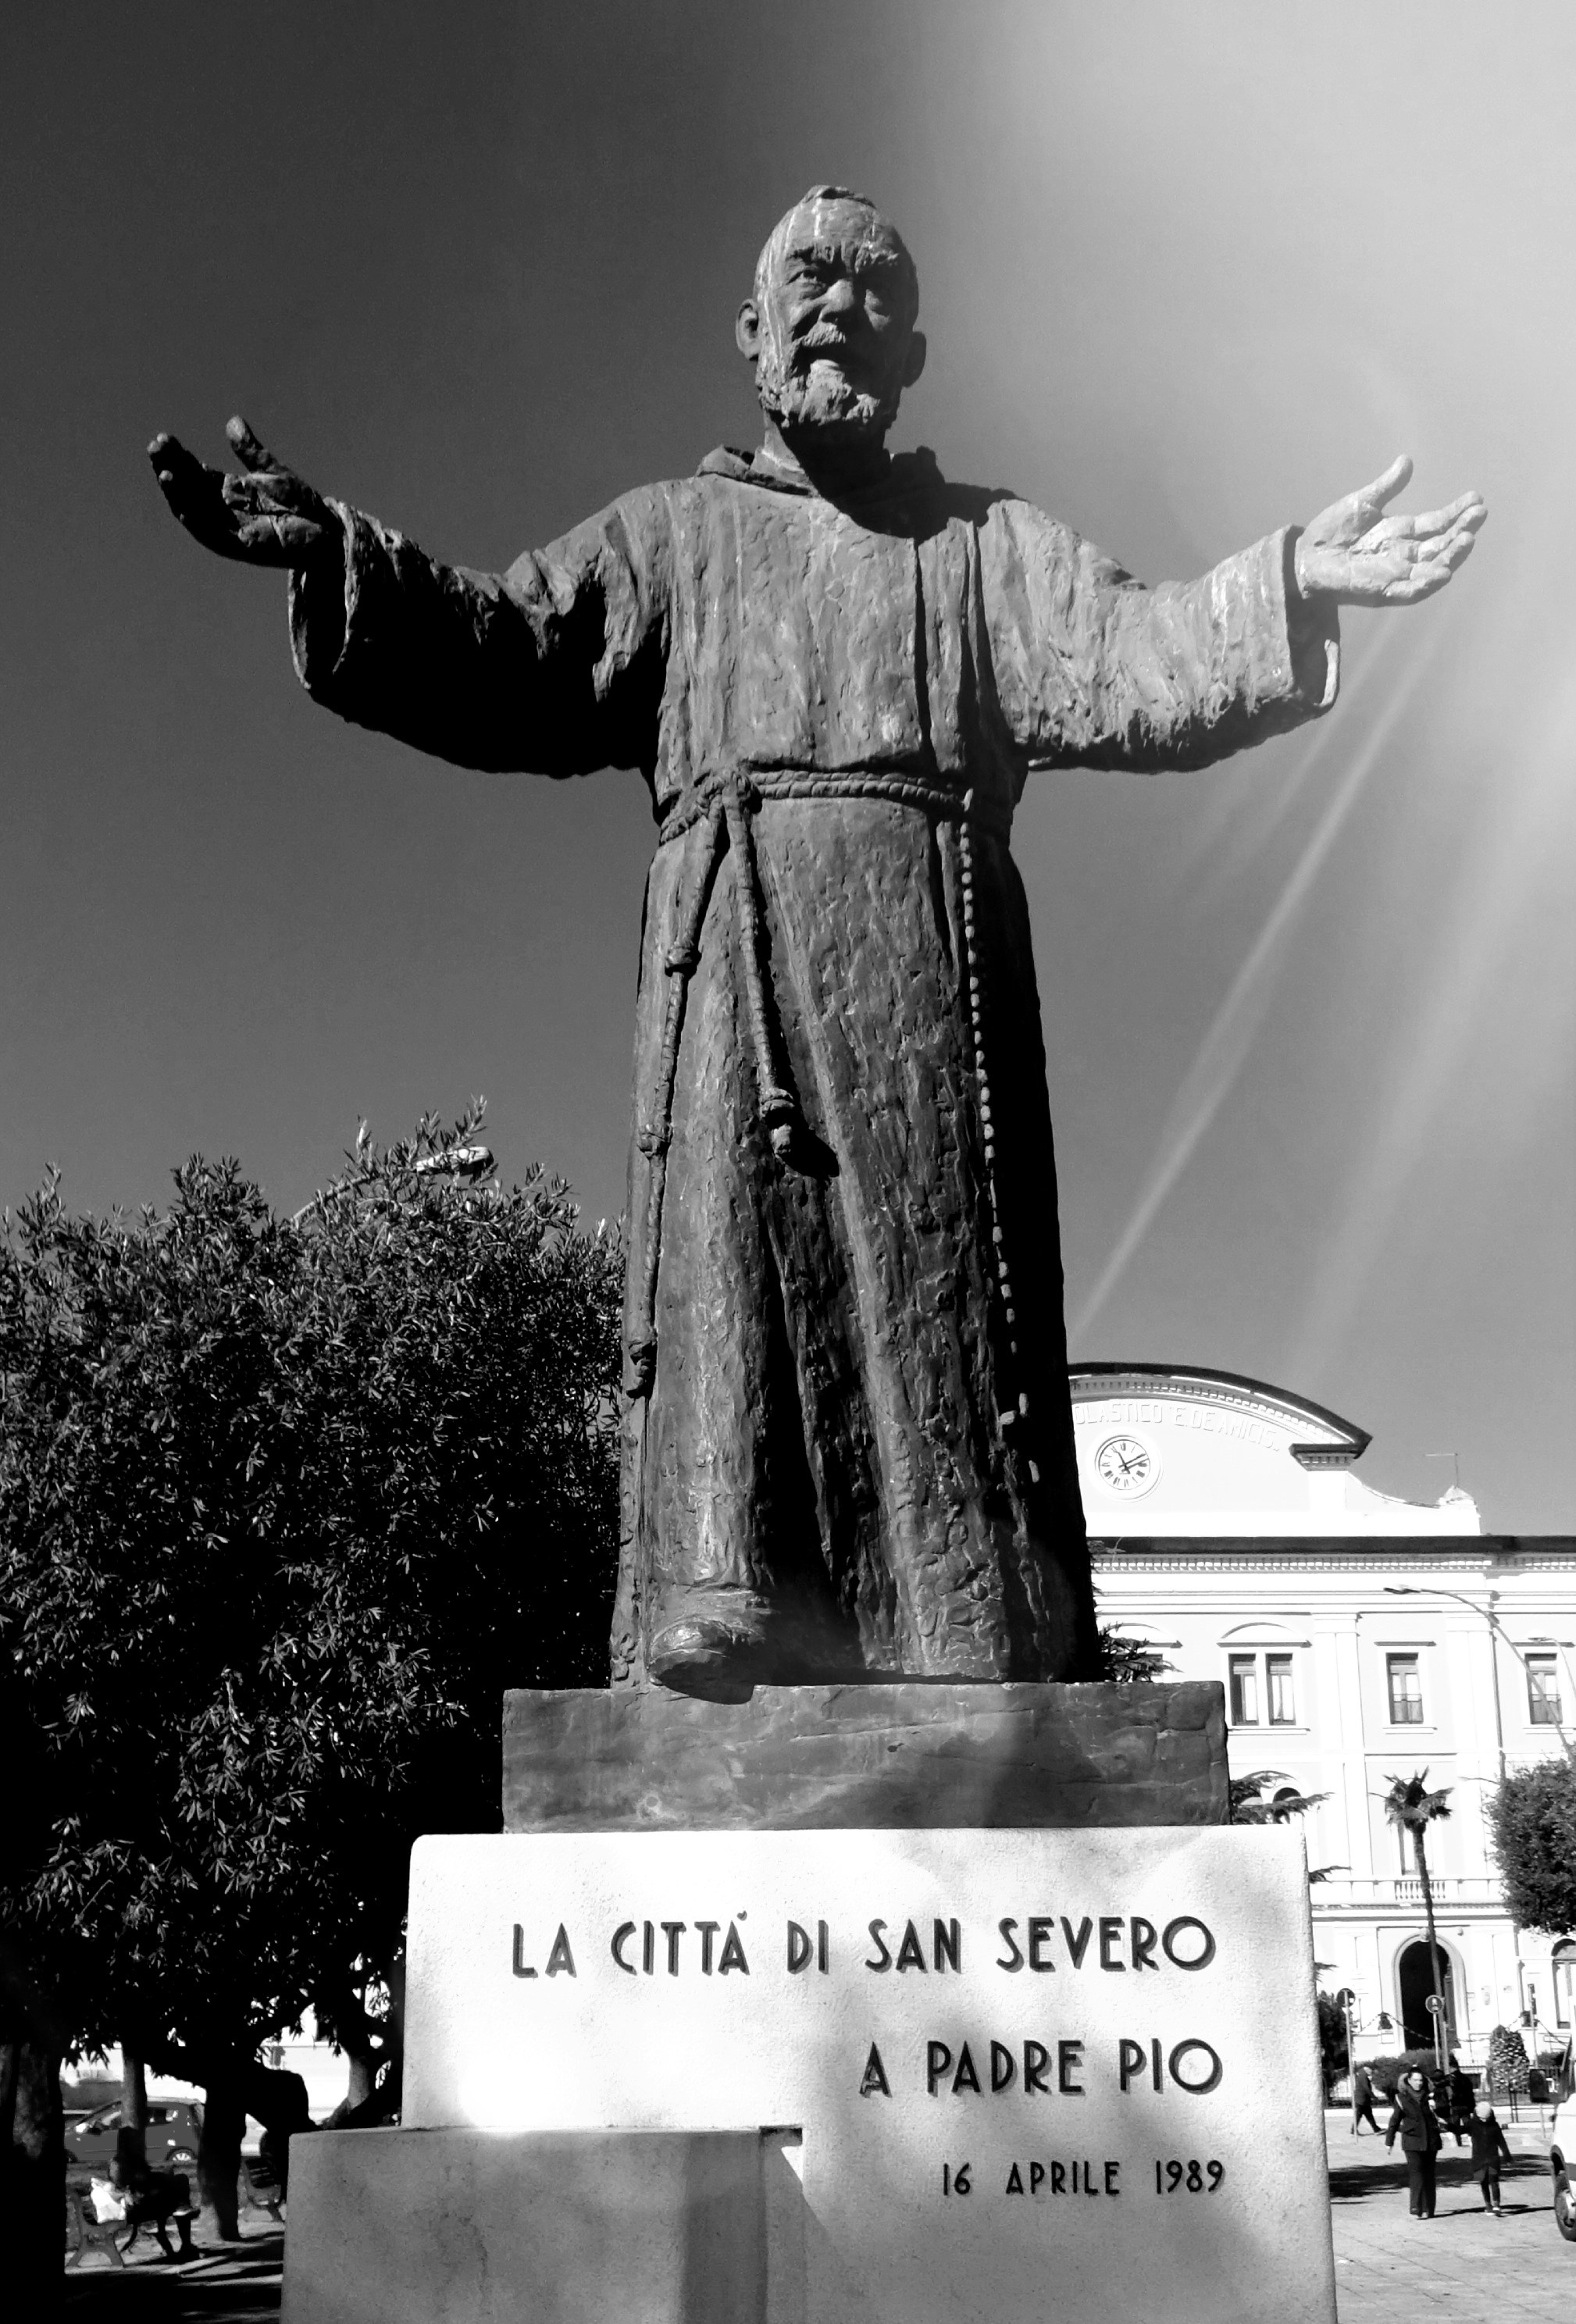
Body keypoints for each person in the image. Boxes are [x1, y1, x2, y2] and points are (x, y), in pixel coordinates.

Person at [149, 187, 1485, 1699]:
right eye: (807, 280)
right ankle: (723, 1590)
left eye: (874, 288)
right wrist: (342, 554)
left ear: (911, 346)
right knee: (732, 1261)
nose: (838, 304)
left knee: (940, 1281)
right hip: (734, 940)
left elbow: (1137, 656)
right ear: (749, 333)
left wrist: (1288, 578)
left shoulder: (990, 548)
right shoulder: (673, 536)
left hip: (930, 949)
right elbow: (511, 645)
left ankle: (968, 1623)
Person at [1385, 2065, 1443, 2218]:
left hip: (1431, 2141)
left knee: (1429, 2175)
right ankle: (1416, 2207)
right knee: (1417, 2174)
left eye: (1421, 2080)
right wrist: (1389, 2141)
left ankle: (1429, 2208)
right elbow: (1395, 2120)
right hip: (1412, 2141)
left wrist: (1437, 2108)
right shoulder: (1402, 2098)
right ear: (1409, 2081)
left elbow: (1443, 2113)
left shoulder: (1430, 2097)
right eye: (1415, 2080)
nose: (1418, 2083)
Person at [1466, 2094, 1513, 2214]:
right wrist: (1446, 2125)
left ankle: (1497, 2204)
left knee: (1494, 2181)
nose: (1484, 2120)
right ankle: (1488, 2205)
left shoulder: (1494, 2125)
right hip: (1478, 2160)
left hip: (1493, 2159)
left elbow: (1501, 2141)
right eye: (1482, 2118)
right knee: (1483, 2182)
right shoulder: (1472, 2124)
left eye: (1486, 2117)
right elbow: (1460, 2129)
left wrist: (1507, 2156)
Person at [1351, 2061, 1382, 2134]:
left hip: (1363, 2100)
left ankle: (1376, 2129)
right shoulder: (1363, 2076)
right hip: (1361, 2100)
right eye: (1371, 2071)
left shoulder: (1362, 2074)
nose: (1371, 2073)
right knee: (1360, 2116)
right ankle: (1354, 2130)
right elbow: (1366, 2088)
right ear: (1367, 2069)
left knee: (1368, 2115)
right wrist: (1373, 2097)